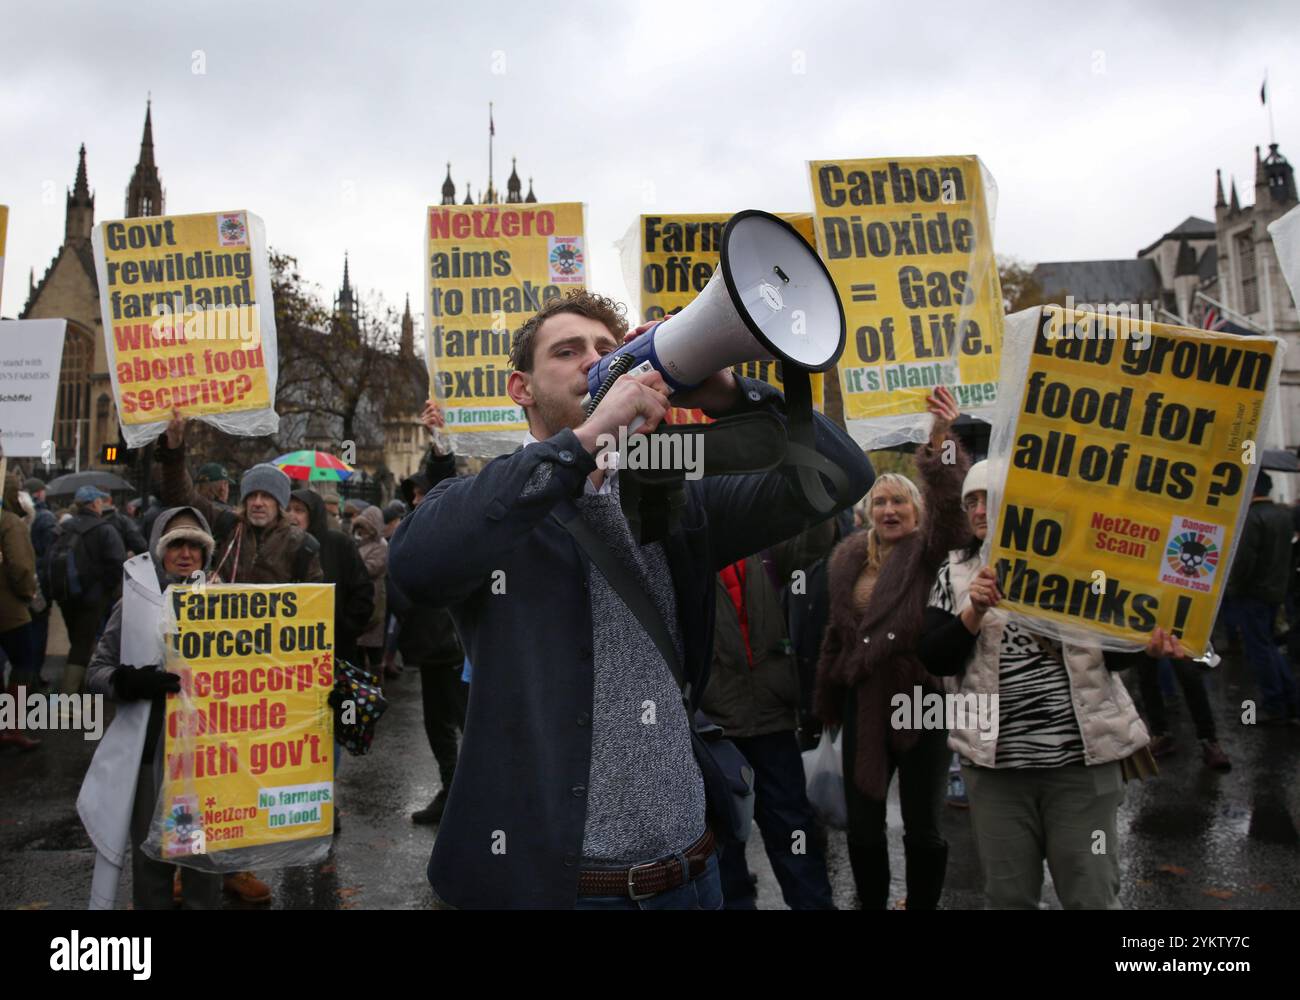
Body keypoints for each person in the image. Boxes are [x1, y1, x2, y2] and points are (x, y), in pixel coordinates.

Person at [388, 289, 872, 909]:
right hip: (564, 891)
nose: (594, 361)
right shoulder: (493, 504)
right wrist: (588, 438)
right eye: (568, 351)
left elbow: (841, 475)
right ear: (521, 388)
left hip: (692, 877)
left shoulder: (674, 499)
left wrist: (729, 396)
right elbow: (415, 569)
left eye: (608, 350)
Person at [918, 460, 1170, 909]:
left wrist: (1145, 647)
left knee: (1090, 891)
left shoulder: (1080, 563)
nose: (978, 510)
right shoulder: (955, 571)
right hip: (996, 773)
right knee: (1009, 896)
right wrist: (973, 611)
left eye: (989, 498)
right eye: (970, 502)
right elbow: (936, 655)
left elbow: (1112, 654)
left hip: (1081, 766)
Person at [158, 411, 324, 903]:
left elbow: (313, 613)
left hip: (264, 687)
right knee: (195, 773)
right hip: (210, 680)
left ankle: (235, 868)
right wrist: (173, 448)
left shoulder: (302, 544)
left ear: (281, 504)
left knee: (245, 778)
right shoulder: (224, 528)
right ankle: (187, 867)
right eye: (251, 494)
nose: (256, 503)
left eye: (267, 497)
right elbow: (179, 497)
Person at [813, 386, 965, 910]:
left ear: (916, 511)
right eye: (880, 501)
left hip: (920, 698)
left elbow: (949, 502)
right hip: (864, 701)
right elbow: (836, 636)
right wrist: (825, 701)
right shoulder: (848, 559)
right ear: (869, 511)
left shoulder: (930, 552)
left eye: (900, 500)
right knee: (863, 828)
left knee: (923, 827)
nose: (889, 508)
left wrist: (941, 436)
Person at [83, 506, 224, 909]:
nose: (185, 554)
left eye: (194, 546)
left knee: (200, 859)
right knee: (153, 860)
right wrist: (127, 681)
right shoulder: (135, 603)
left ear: (205, 554)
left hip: (205, 758)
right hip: (149, 754)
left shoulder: (226, 604)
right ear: (158, 551)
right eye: (175, 544)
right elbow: (97, 670)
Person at [701, 526, 838, 910]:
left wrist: (813, 473)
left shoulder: (763, 537)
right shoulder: (688, 538)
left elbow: (813, 537)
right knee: (725, 840)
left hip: (773, 718)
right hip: (716, 726)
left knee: (794, 832)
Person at [389, 406, 466, 825]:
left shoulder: (444, 522)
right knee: (438, 729)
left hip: (454, 649)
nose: (417, 497)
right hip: (430, 652)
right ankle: (451, 790)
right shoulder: (411, 530)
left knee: (468, 725)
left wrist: (439, 441)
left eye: (423, 491)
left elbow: (444, 481)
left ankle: (473, 796)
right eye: (413, 493)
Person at [1222, 472, 1299, 724]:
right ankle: (1290, 698)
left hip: (1252, 593)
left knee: (1260, 650)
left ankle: (1274, 703)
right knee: (1268, 646)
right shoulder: (1283, 516)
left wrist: (1233, 587)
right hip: (1274, 591)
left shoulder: (1251, 518)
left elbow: (1244, 561)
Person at [49, 486, 126, 699]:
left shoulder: (64, 527)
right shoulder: (104, 529)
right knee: (83, 644)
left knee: (79, 639)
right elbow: (117, 563)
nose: (102, 505)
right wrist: (106, 589)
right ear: (94, 504)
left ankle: (84, 687)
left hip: (66, 595)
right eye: (100, 502)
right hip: (92, 597)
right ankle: (69, 696)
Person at [286, 489, 373, 666]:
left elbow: (362, 591)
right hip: (291, 653)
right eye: (287, 510)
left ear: (314, 514)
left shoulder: (339, 544)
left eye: (299, 510)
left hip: (336, 650)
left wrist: (345, 629)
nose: (291, 516)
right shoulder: (280, 545)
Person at [1, 472, 41, 749]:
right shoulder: (10, 522)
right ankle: (11, 727)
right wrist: (28, 593)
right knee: (24, 664)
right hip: (9, 609)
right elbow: (21, 567)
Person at [1138, 655, 1230, 770]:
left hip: (1178, 637)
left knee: (1189, 675)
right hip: (1145, 638)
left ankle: (1209, 740)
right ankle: (1160, 734)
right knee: (1146, 676)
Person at [351, 505, 388, 675]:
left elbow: (370, 569)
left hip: (374, 600)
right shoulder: (357, 542)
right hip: (358, 598)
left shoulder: (381, 545)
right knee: (358, 648)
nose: (362, 531)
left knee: (373, 649)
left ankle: (376, 688)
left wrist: (350, 567)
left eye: (365, 527)